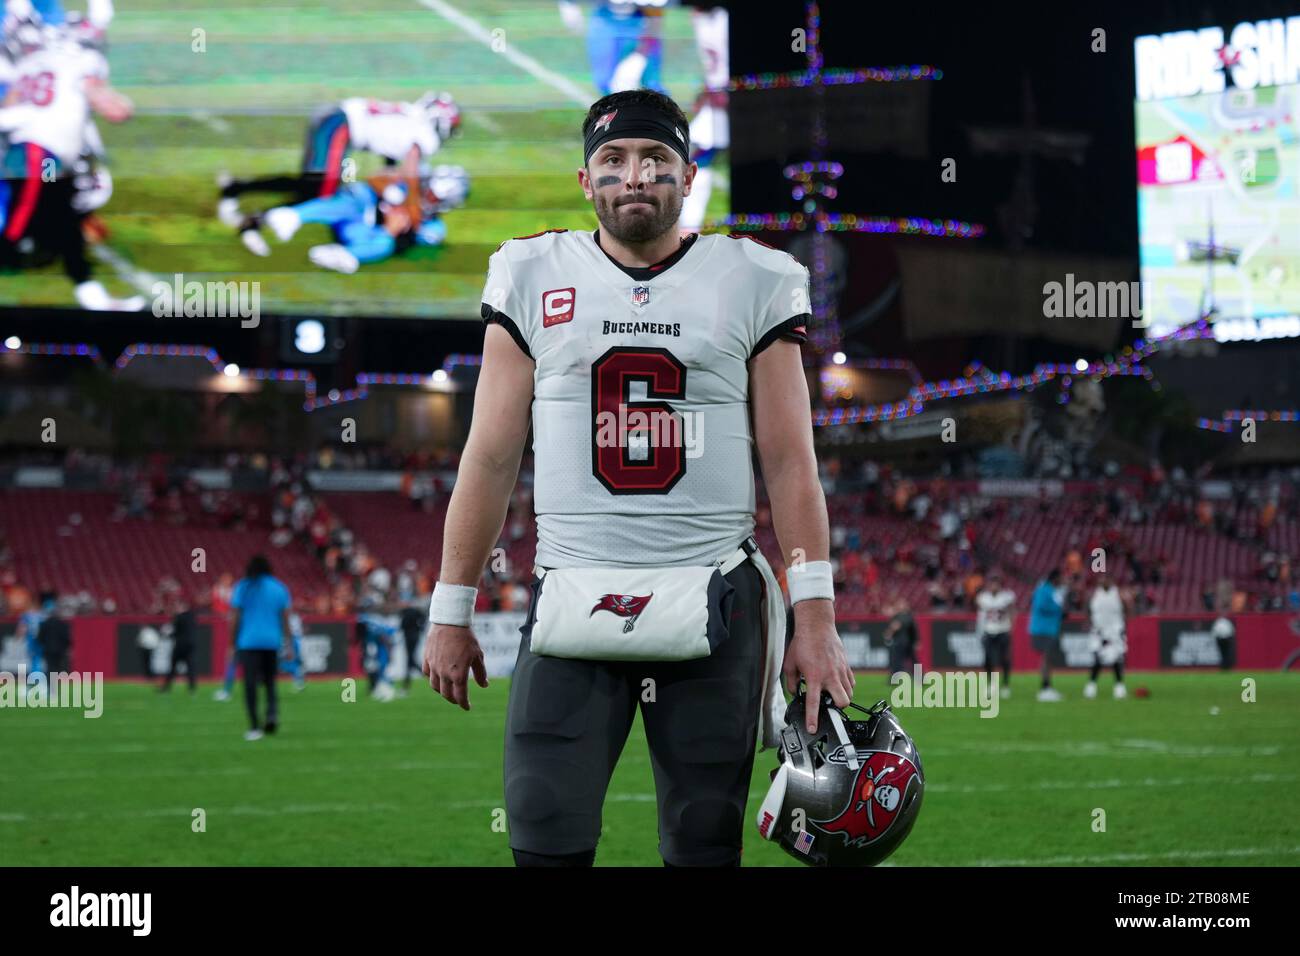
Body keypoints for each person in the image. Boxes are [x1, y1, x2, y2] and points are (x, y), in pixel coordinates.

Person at [423, 88, 851, 868]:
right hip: (573, 592)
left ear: (688, 176)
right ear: (586, 182)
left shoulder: (753, 277)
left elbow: (791, 460)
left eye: (656, 159)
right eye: (613, 161)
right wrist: (451, 608)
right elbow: (488, 454)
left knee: (701, 841)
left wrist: (815, 619)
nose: (635, 176)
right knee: (542, 822)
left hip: (714, 597)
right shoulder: (529, 271)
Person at [230, 555, 292, 740]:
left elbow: (235, 618)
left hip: (248, 642)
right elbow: (285, 618)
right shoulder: (279, 587)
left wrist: (232, 644)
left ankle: (254, 726)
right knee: (270, 682)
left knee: (250, 684)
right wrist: (288, 643)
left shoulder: (243, 586)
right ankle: (272, 713)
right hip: (271, 641)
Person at [1084, 574, 1127, 699]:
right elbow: (1087, 609)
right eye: (1102, 579)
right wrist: (1088, 622)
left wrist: (1122, 625)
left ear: (1111, 580)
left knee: (1116, 659)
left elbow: (1128, 610)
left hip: (1115, 631)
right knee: (1098, 659)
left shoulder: (1119, 594)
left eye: (1107, 579)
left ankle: (1119, 686)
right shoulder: (1094, 594)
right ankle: (1091, 685)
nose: (1104, 581)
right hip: (1099, 630)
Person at [976, 571, 1015, 698]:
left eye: (996, 583)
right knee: (987, 659)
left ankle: (1005, 684)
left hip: (1003, 630)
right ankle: (991, 684)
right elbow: (981, 615)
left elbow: (1012, 611)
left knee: (1004, 658)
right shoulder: (983, 597)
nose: (994, 586)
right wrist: (980, 631)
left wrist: (1011, 626)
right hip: (988, 630)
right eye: (992, 583)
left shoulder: (1007, 596)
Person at [1028, 569, 1065, 701]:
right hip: (1043, 629)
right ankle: (1044, 688)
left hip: (1050, 629)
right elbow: (1040, 606)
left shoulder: (1052, 590)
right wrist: (1057, 609)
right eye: (1061, 578)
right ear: (1055, 578)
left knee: (1049, 659)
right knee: (1046, 658)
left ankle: (1047, 687)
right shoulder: (1044, 590)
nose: (1063, 580)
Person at [160, 594, 198, 693]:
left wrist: (166, 634)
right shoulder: (191, 616)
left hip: (180, 645)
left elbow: (175, 631)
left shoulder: (179, 617)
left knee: (173, 667)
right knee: (190, 667)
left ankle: (166, 687)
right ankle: (192, 689)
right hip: (190, 644)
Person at [882, 593, 918, 681]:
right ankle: (919, 677)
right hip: (908, 642)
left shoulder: (901, 616)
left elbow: (896, 626)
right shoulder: (908, 616)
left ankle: (894, 678)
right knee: (913, 661)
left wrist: (889, 633)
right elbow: (914, 630)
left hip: (900, 642)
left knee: (897, 660)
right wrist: (916, 641)